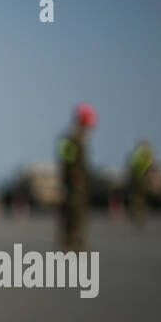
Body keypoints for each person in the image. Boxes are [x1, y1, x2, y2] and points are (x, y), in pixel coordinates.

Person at [58, 103, 96, 251]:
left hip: (80, 181)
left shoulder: (78, 138)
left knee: (79, 210)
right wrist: (73, 177)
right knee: (73, 210)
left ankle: (75, 239)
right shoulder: (71, 138)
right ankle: (70, 240)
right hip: (74, 181)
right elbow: (67, 161)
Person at [128, 138, 154, 227]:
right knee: (143, 199)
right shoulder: (146, 153)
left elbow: (132, 166)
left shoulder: (137, 154)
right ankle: (140, 214)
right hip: (143, 179)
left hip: (137, 178)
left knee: (137, 198)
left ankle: (137, 213)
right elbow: (150, 167)